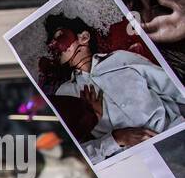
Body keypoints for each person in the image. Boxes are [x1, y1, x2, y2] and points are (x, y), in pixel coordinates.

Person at [45, 12, 185, 161]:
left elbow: (170, 85)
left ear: (84, 37)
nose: (51, 44)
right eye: (49, 42)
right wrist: (115, 139)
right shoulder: (64, 93)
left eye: (59, 35)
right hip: (132, 164)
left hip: (174, 133)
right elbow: (72, 156)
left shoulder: (120, 58)